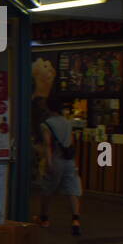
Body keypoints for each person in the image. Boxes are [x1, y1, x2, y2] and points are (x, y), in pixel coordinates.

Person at [37, 95, 82, 235]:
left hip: (56, 160)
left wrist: (48, 162)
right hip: (69, 161)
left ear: (49, 107)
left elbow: (47, 145)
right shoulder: (68, 122)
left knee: (47, 189)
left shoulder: (47, 124)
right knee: (72, 190)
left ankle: (44, 219)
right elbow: (71, 142)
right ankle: (75, 220)